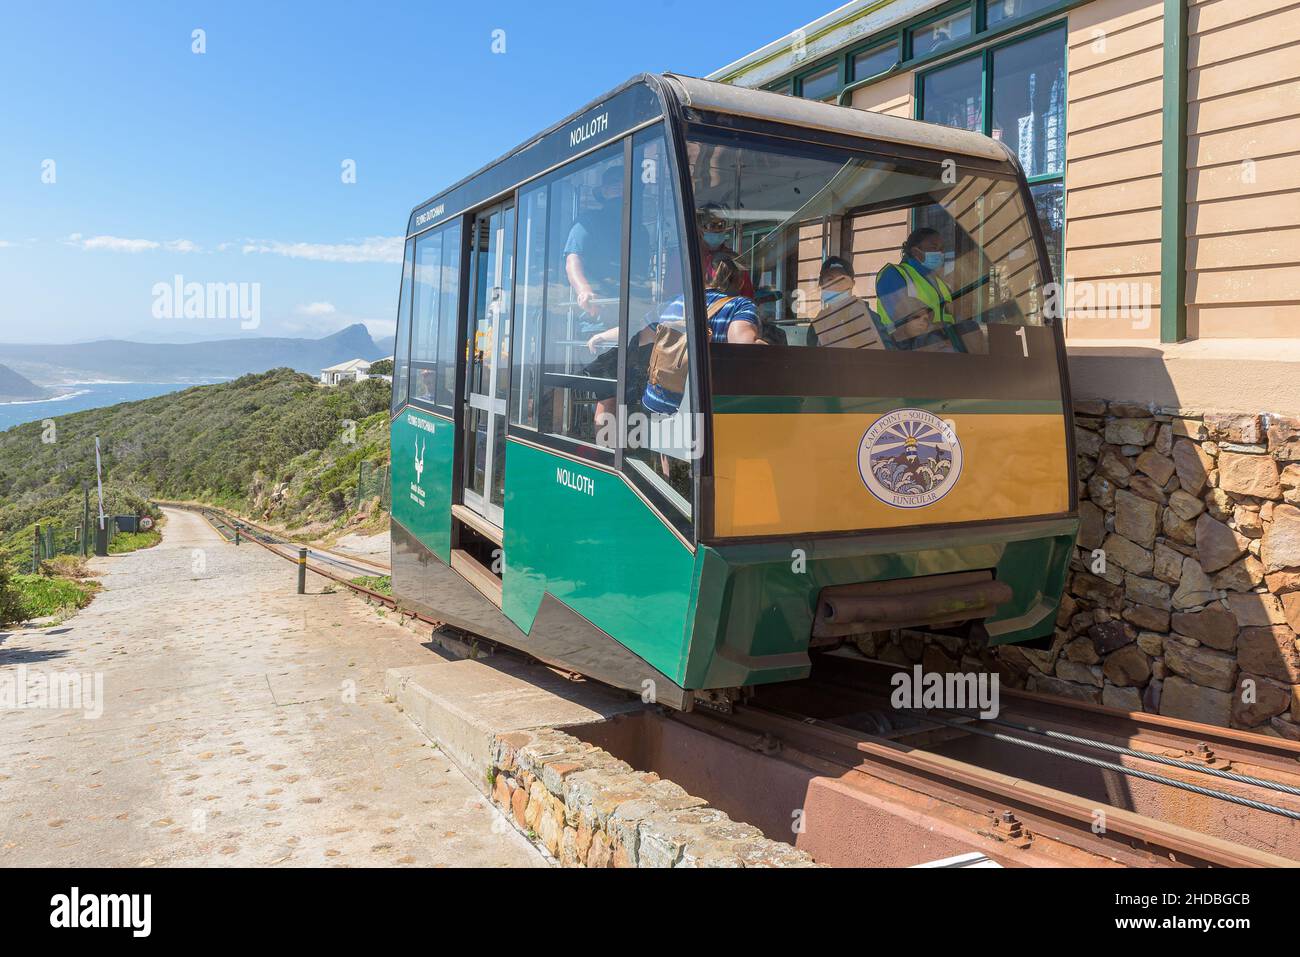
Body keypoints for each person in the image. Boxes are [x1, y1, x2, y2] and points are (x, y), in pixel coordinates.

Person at [874, 227, 980, 352]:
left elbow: (954, 318)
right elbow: (910, 321)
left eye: (942, 249)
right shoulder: (893, 274)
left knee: (970, 328)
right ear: (916, 252)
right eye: (934, 248)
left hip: (938, 341)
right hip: (904, 347)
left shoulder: (940, 283)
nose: (940, 253)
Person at [565, 163, 624, 335]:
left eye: (624, 183)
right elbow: (572, 260)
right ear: (604, 191)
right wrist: (584, 290)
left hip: (633, 319)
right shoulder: (588, 221)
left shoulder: (640, 229)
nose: (620, 186)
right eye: (614, 183)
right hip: (596, 322)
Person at [809, 256, 887, 349]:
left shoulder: (863, 315)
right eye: (830, 279)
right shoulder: (819, 322)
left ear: (852, 284)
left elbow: (883, 355)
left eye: (841, 280)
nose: (835, 285)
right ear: (821, 284)